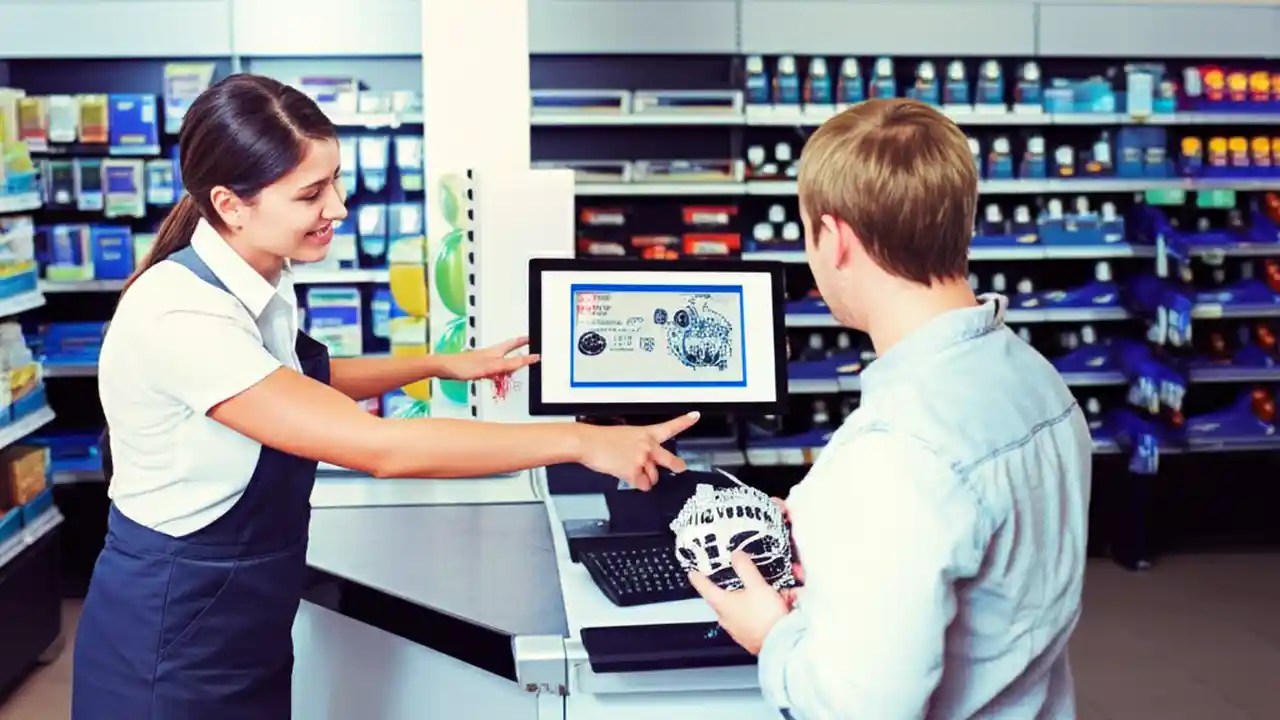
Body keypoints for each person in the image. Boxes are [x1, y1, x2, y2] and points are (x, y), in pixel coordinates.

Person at [70, 73, 699, 720]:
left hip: (240, 627)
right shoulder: (180, 315)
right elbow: (378, 448)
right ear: (231, 204)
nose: (339, 207)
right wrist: (580, 440)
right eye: (311, 193)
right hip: (171, 644)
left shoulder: (256, 275)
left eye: (336, 181)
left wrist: (439, 364)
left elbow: (290, 380)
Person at [689, 98, 1093, 719]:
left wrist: (771, 636)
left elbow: (861, 709)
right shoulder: (1037, 379)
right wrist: (830, 528)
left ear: (835, 240)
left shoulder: (896, 451)